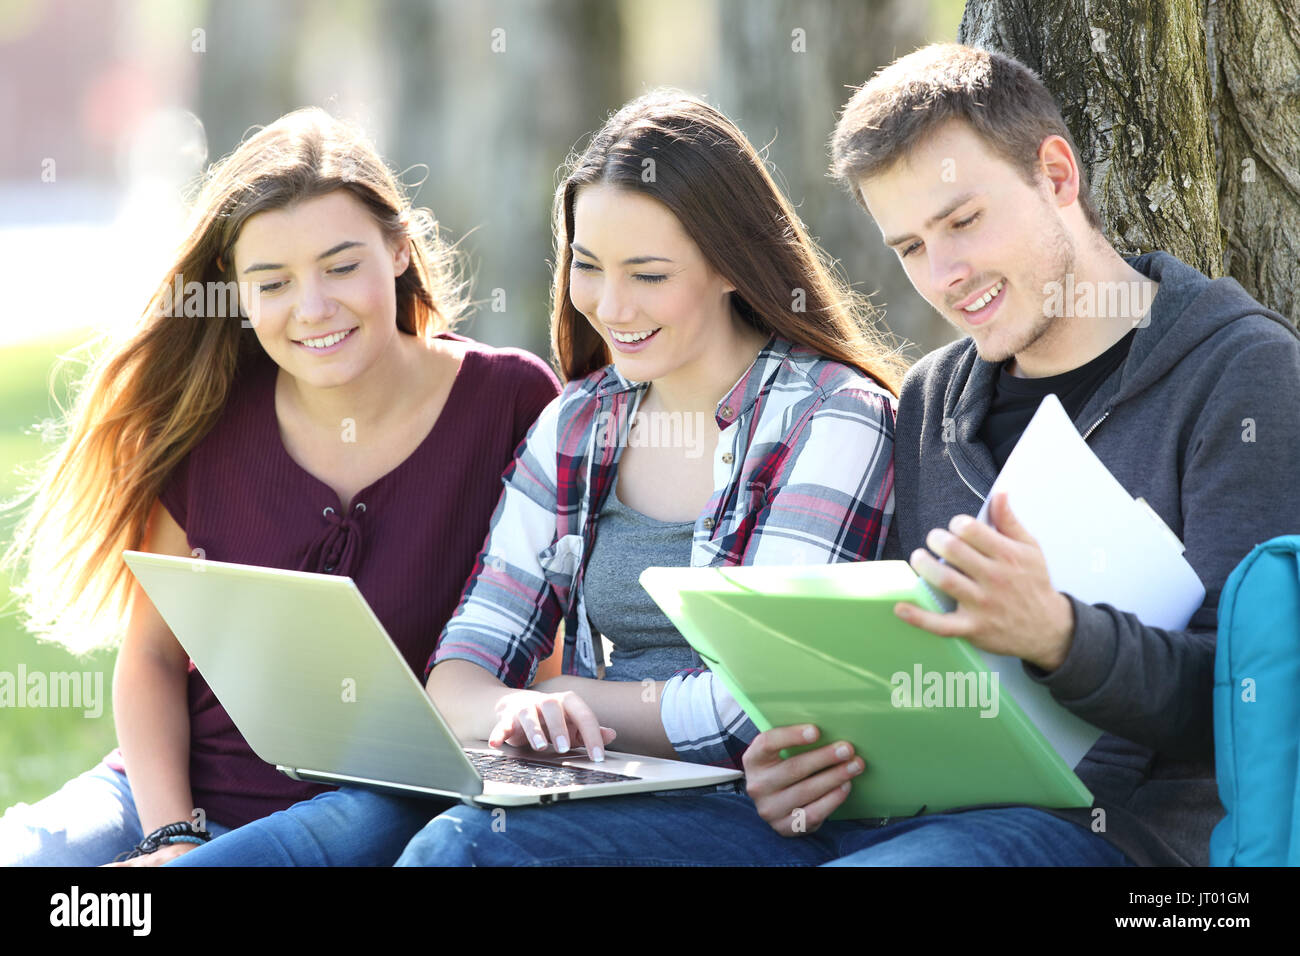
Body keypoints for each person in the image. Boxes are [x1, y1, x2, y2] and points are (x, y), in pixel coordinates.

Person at [742, 42, 1300, 866]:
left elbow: (1244, 708)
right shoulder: (933, 398)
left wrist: (1060, 635)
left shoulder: (1240, 371)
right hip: (921, 821)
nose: (946, 274)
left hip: (1128, 846)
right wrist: (809, 762)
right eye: (910, 248)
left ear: (1057, 175)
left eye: (963, 221)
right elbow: (922, 674)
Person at [0, 107, 559, 866]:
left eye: (340, 266)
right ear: (233, 286)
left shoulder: (510, 401)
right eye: (275, 282)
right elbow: (154, 660)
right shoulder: (207, 412)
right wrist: (171, 833)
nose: (313, 308)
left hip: (384, 802)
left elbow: (544, 647)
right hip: (172, 790)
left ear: (398, 248)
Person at [391, 89, 904, 867]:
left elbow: (757, 707)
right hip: (602, 791)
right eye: (588, 267)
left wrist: (562, 709)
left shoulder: (833, 418)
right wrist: (517, 714)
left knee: (458, 855)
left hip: (760, 812)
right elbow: (460, 676)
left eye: (649, 274)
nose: (611, 304)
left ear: (734, 265)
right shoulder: (577, 424)